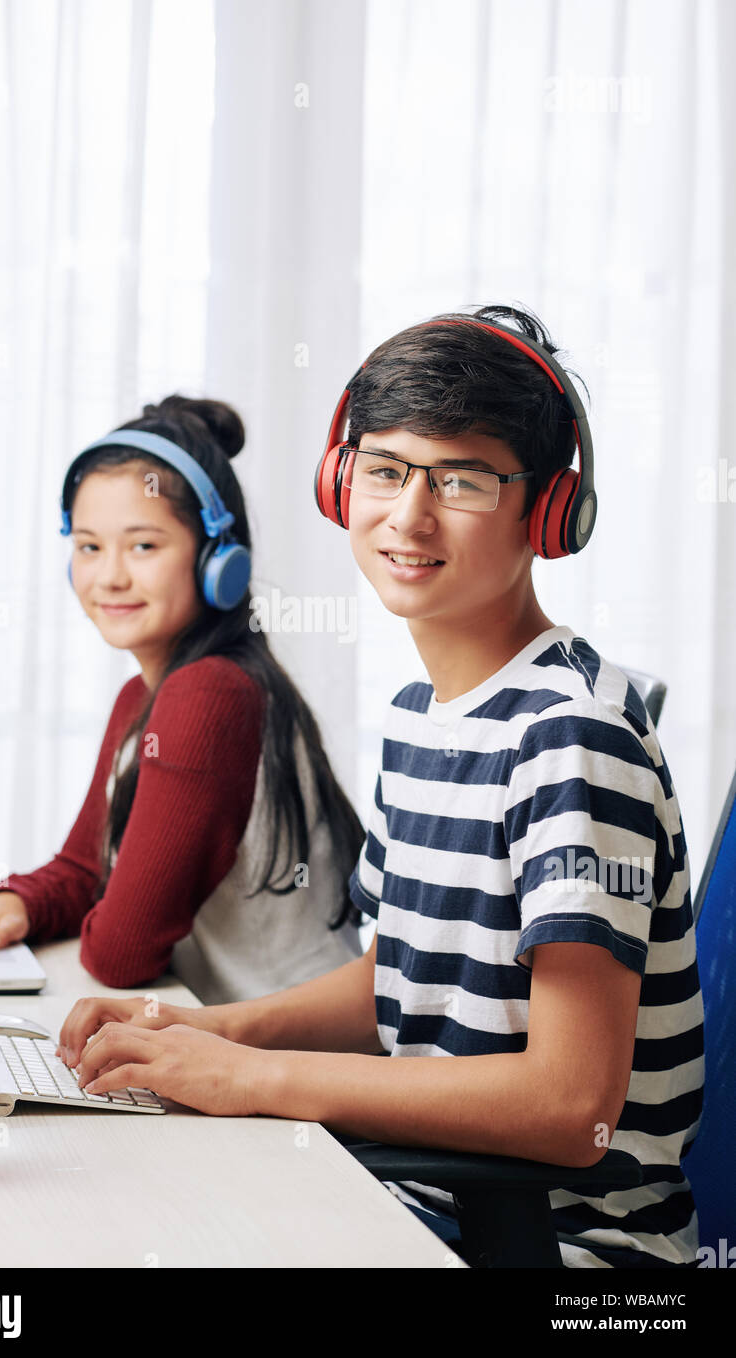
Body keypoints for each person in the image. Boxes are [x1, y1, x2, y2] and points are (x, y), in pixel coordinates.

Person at [57, 309, 704, 1270]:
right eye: (387, 469)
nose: (410, 515)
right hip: (425, 1199)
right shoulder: (421, 712)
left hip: (577, 1257)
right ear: (340, 482)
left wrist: (256, 1076)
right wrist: (203, 1032)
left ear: (549, 512)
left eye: (463, 479)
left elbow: (574, 1112)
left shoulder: (568, 736)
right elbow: (396, 977)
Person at [0, 396, 364, 1001]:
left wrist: (97, 907)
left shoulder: (210, 695)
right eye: (89, 546)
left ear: (220, 559)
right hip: (215, 1040)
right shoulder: (143, 696)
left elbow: (122, 952)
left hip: (285, 1066)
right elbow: (87, 869)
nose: (109, 576)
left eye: (143, 546)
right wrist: (19, 904)